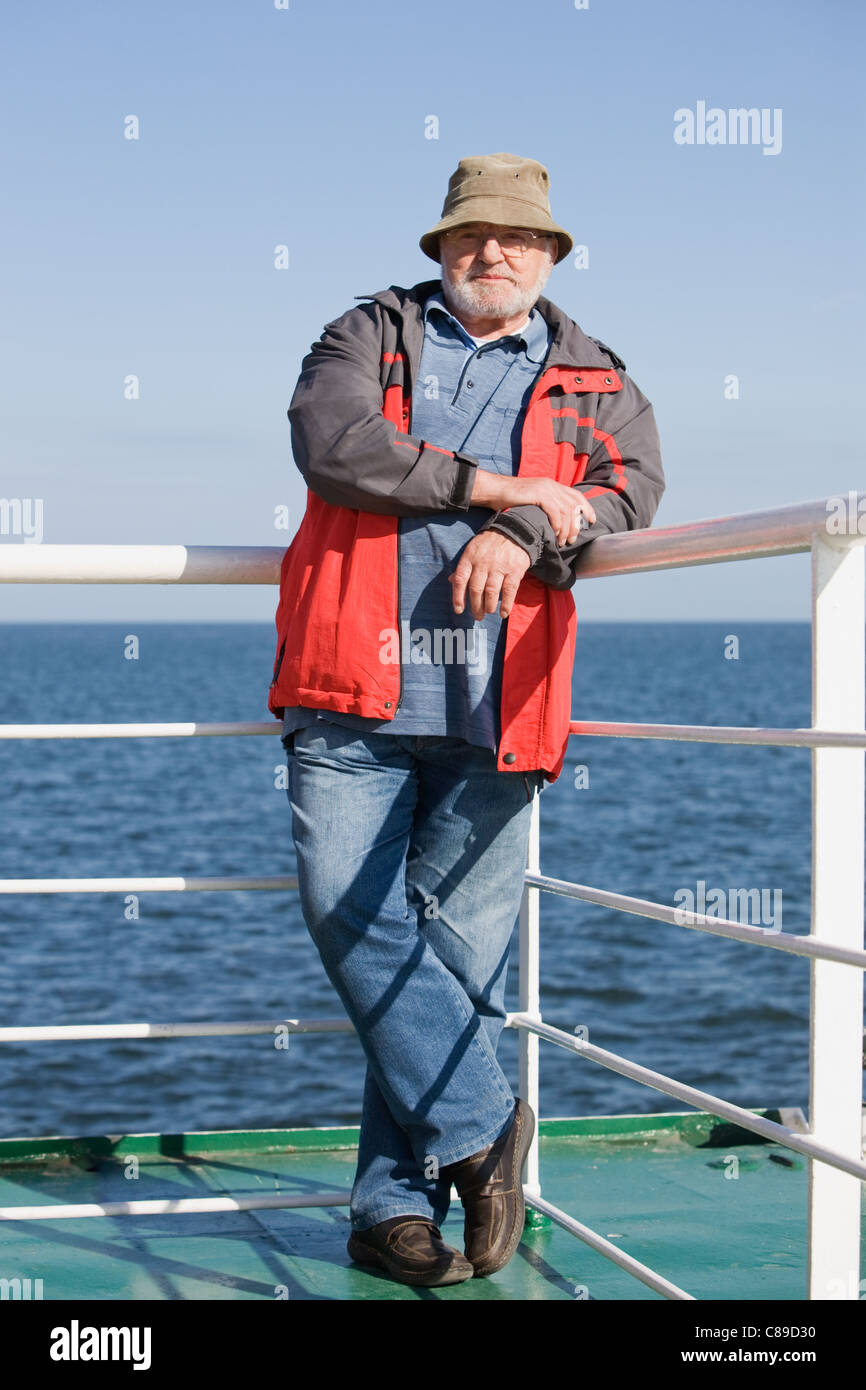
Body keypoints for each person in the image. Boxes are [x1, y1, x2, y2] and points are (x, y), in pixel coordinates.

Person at [268, 152, 665, 1287]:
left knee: (452, 962)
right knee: (347, 912)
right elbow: (333, 446)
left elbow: (627, 488)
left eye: (517, 238)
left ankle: (389, 1209)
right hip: (353, 686)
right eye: (469, 236)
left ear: (548, 254)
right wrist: (496, 491)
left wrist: (533, 533)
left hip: (504, 703)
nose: (490, 253)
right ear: (439, 248)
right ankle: (487, 1128)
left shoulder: (597, 377)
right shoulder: (364, 337)